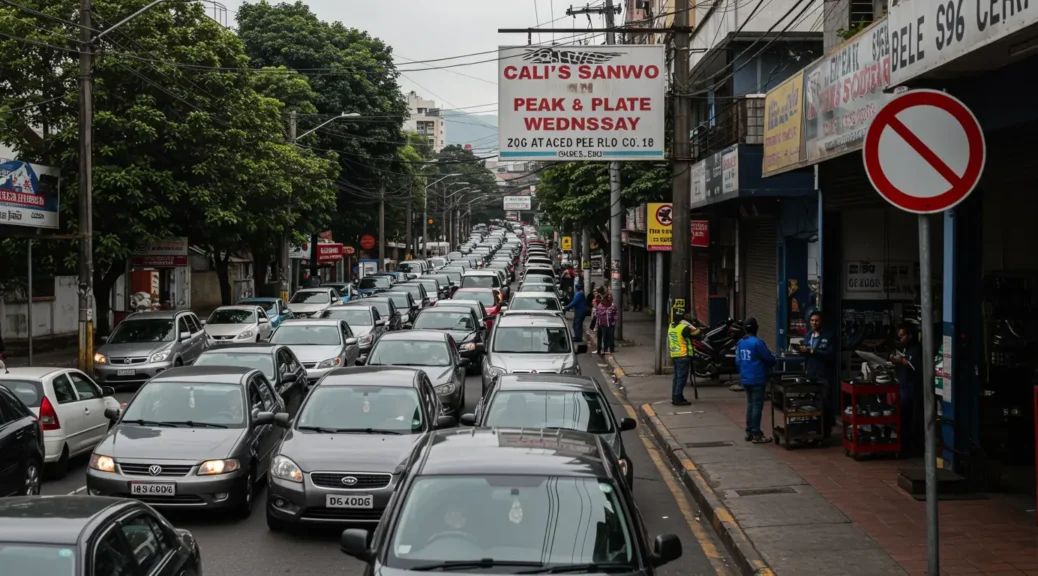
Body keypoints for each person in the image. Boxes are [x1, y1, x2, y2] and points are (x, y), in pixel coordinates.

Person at [736, 317, 776, 443]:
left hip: (746, 378)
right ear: (756, 328)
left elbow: (737, 361)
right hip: (757, 378)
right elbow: (769, 358)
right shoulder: (757, 343)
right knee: (757, 406)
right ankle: (756, 433)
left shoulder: (741, 342)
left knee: (750, 404)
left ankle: (749, 432)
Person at [799, 310, 835, 437]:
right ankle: (813, 428)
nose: (814, 323)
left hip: (824, 374)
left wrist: (813, 351)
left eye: (816, 320)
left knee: (825, 402)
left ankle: (826, 431)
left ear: (821, 322)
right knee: (811, 403)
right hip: (811, 373)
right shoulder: (808, 335)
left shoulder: (828, 336)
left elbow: (829, 355)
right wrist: (802, 350)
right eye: (812, 320)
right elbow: (806, 353)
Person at [890, 323, 923, 456]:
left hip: (912, 389)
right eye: (900, 336)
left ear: (910, 336)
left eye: (903, 336)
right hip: (904, 387)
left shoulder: (916, 349)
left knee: (908, 419)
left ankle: (908, 448)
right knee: (902, 417)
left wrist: (900, 360)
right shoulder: (906, 348)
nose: (901, 339)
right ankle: (902, 445)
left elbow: (912, 365)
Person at [667, 308, 700, 406]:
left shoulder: (671, 326)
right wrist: (699, 329)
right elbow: (694, 333)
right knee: (681, 378)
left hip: (675, 355)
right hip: (683, 355)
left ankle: (677, 397)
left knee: (676, 378)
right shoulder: (683, 327)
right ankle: (677, 399)